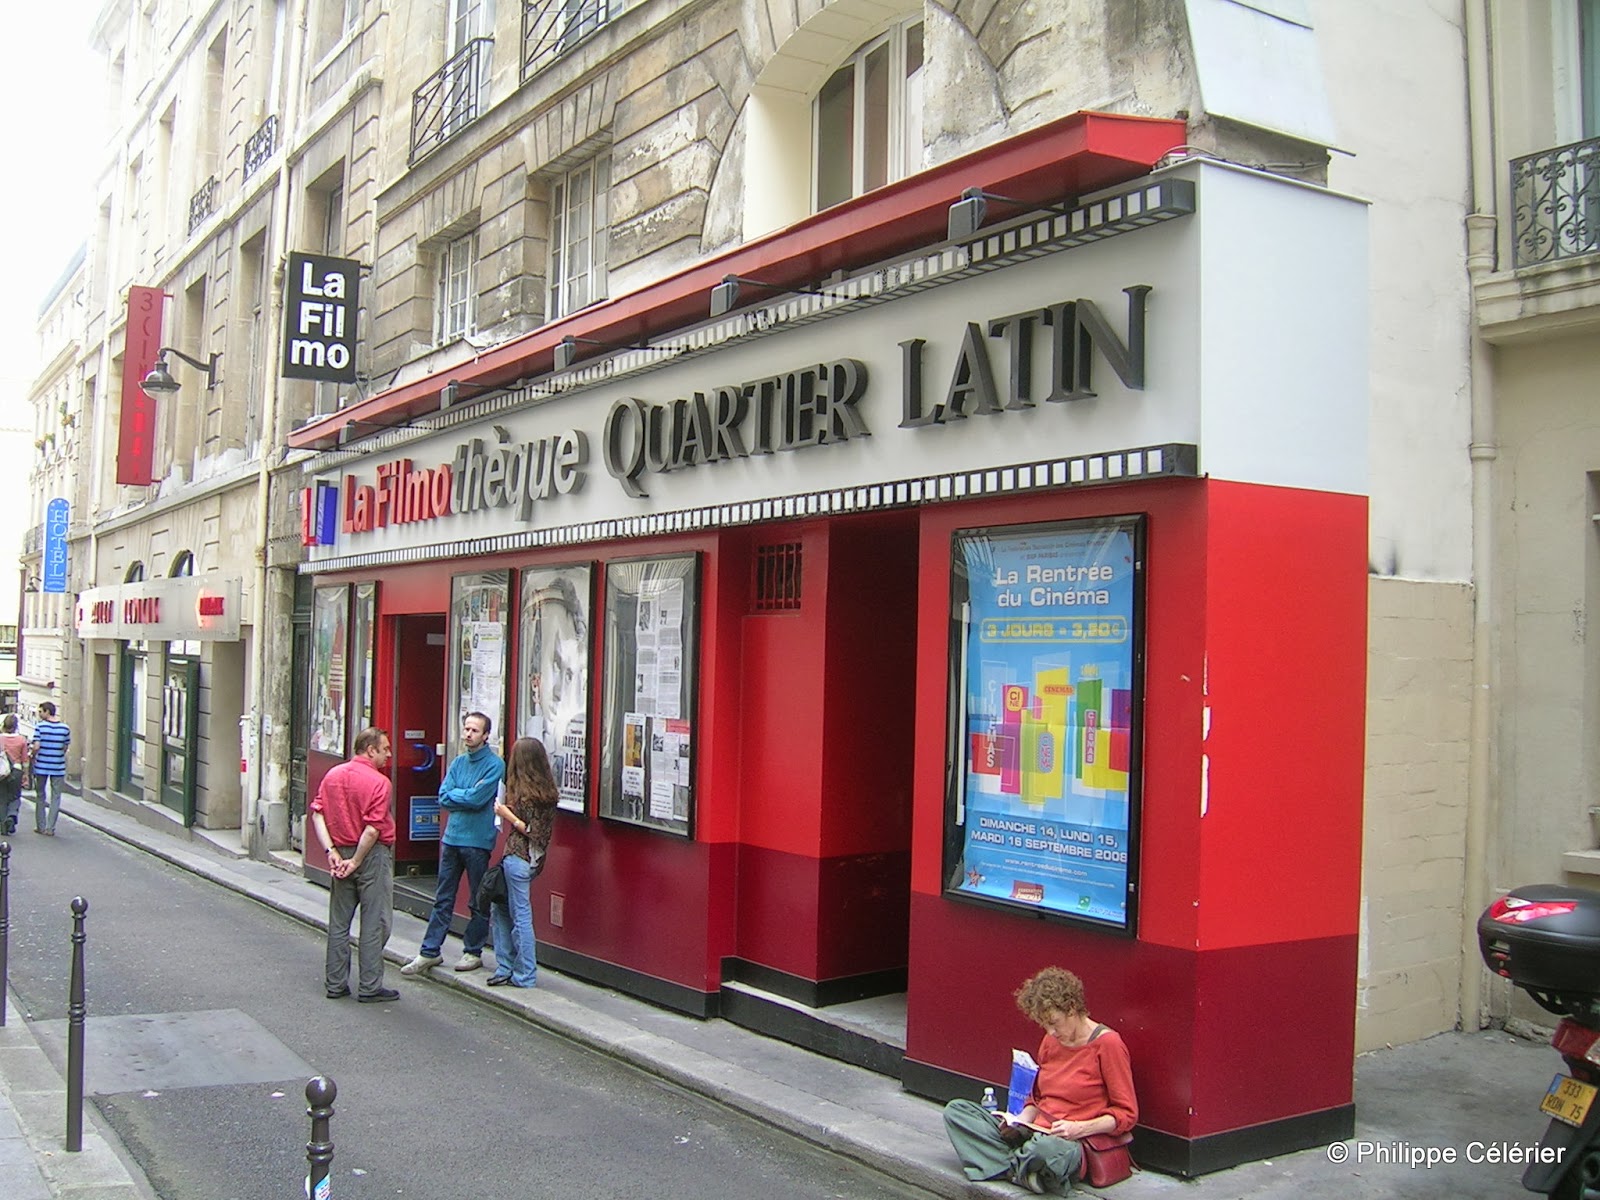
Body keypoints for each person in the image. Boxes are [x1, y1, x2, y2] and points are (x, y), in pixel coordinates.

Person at [943, 967, 1138, 1195]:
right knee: (957, 1111)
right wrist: (1020, 1120)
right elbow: (1037, 1097)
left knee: (1047, 1150)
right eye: (1045, 1025)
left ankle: (1007, 1166)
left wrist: (1078, 1128)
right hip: (1035, 1131)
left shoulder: (1108, 1044)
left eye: (1055, 1022)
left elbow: (1127, 1115)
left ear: (1072, 1009)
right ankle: (1025, 1172)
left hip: (1070, 1141)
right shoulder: (1050, 1041)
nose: (1051, 1032)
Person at [402, 712, 506, 976]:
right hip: (452, 838)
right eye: (466, 728)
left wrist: (461, 795)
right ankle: (429, 952)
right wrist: (464, 795)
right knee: (443, 898)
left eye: (474, 730)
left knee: (477, 899)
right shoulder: (458, 762)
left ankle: (473, 951)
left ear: (485, 736)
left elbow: (476, 799)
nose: (468, 734)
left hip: (477, 842)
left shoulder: (495, 765)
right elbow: (443, 796)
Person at [309, 727, 399, 1003]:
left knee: (339, 922)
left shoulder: (333, 775)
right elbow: (373, 829)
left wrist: (332, 853)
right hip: (371, 855)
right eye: (384, 749)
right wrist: (356, 861)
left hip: (340, 849)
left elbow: (317, 814)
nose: (389, 754)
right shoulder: (380, 783)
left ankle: (335, 982)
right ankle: (370, 985)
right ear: (370, 750)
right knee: (375, 922)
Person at [487, 737, 559, 988]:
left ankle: (523, 972)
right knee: (505, 909)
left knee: (518, 914)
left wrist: (507, 814)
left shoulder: (528, 797)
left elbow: (533, 831)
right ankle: (509, 967)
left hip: (519, 856)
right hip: (531, 860)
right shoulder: (547, 792)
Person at [31, 701, 71, 836]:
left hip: (41, 765)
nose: (39, 714)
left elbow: (36, 746)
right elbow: (65, 747)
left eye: (41, 711)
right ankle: (50, 828)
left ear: (47, 712)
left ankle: (40, 826)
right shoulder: (65, 728)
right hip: (58, 766)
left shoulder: (40, 727)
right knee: (56, 797)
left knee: (40, 795)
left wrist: (33, 756)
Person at [0, 714, 28, 836]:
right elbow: (25, 760)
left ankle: (3, 824)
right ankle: (12, 815)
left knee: (2, 798)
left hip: (1, 771)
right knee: (15, 796)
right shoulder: (21, 740)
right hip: (16, 770)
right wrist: (25, 775)